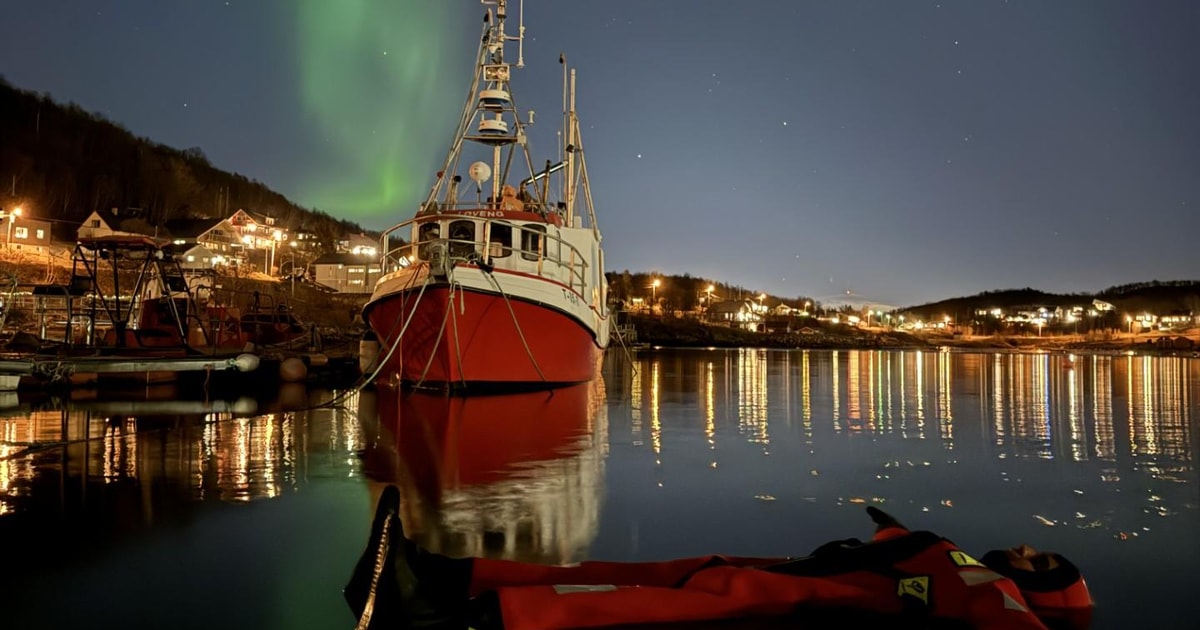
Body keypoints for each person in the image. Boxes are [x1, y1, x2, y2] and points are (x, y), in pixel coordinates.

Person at [345, 486, 1093, 630]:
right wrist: (890, 528)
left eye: (1042, 559)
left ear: (1043, 588)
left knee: (640, 600)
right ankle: (447, 571)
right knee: (633, 574)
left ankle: (457, 614)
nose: (1027, 548)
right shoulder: (962, 561)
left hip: (786, 596)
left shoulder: (992, 589)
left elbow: (993, 611)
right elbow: (914, 555)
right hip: (781, 570)